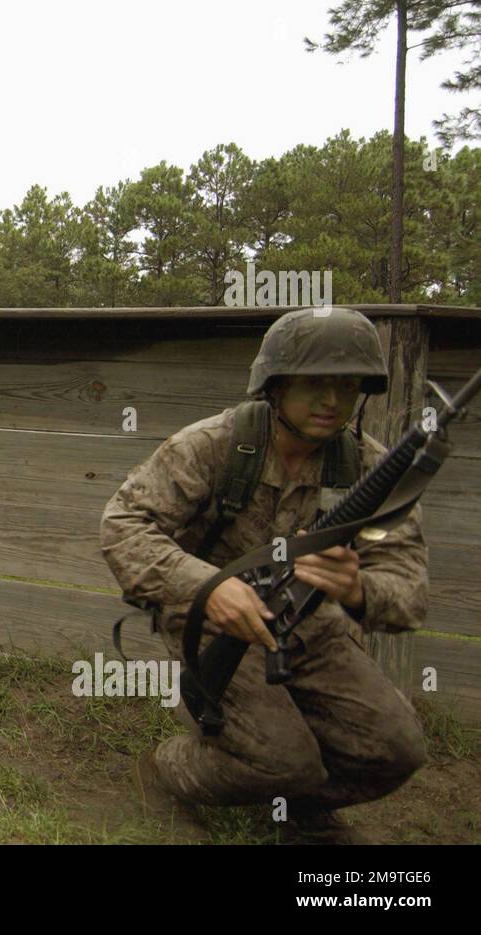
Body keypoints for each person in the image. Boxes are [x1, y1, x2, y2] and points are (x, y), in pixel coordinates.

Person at [99, 306, 428, 843]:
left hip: (313, 633)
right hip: (214, 627)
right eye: (314, 384)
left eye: (348, 387)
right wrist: (208, 587)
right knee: (283, 758)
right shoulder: (213, 446)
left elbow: (409, 593)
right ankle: (167, 768)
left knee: (397, 749)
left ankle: (296, 807)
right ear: (275, 385)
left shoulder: (371, 470)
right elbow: (124, 526)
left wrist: (359, 587)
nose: (332, 402)